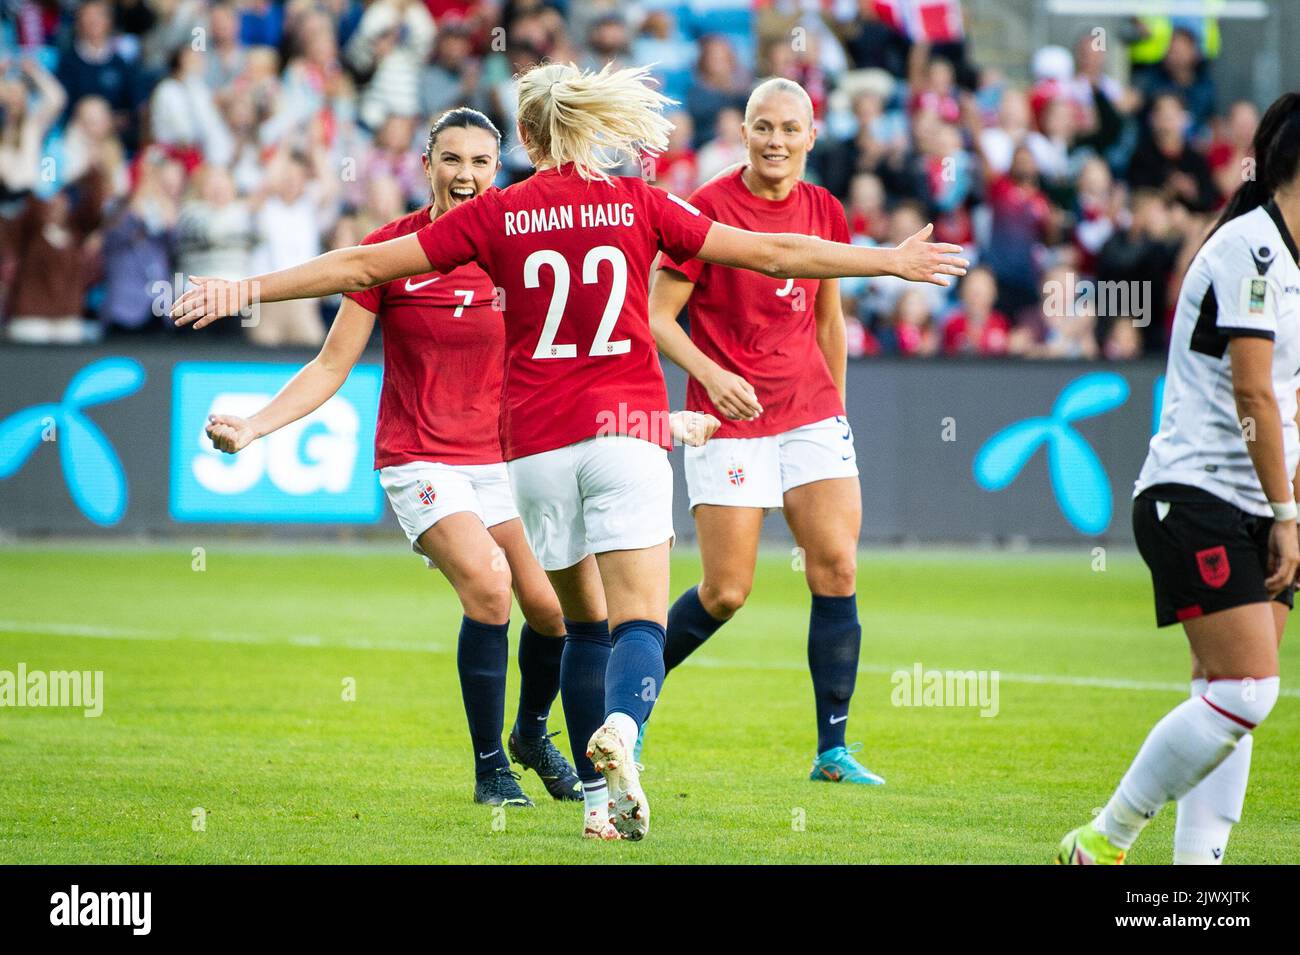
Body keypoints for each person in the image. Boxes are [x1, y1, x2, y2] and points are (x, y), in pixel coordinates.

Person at [172, 62, 967, 841]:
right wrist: (889, 261)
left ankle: (593, 803)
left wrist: (241, 288)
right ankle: (622, 725)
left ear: (522, 137)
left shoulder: (497, 214)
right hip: (625, 431)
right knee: (637, 623)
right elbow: (775, 254)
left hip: (533, 450)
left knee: (575, 623)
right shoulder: (638, 201)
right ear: (592, 127)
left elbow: (360, 265)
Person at [200, 108, 583, 811]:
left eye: (479, 162)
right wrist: (255, 427)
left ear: (498, 171)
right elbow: (328, 365)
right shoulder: (391, 250)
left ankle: (531, 734)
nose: (465, 175)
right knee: (491, 588)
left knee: (555, 610)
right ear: (426, 163)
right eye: (451, 160)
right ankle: (490, 765)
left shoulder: (521, 250)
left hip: (506, 461)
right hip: (421, 456)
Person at [1057, 92, 1299, 865]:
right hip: (1196, 495)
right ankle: (1106, 835)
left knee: (1228, 700)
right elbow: (1253, 390)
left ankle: (1194, 880)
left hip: (1261, 502)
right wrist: (1287, 510)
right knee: (1246, 691)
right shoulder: (1250, 250)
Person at [645, 77, 884, 783]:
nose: (775, 140)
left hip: (811, 413)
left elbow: (829, 318)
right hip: (729, 420)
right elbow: (658, 317)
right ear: (743, 133)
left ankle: (832, 751)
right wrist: (710, 374)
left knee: (837, 565)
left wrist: (835, 406)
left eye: (789, 128)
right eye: (762, 127)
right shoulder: (707, 209)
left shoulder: (826, 209)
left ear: (812, 135)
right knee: (726, 590)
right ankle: (621, 706)